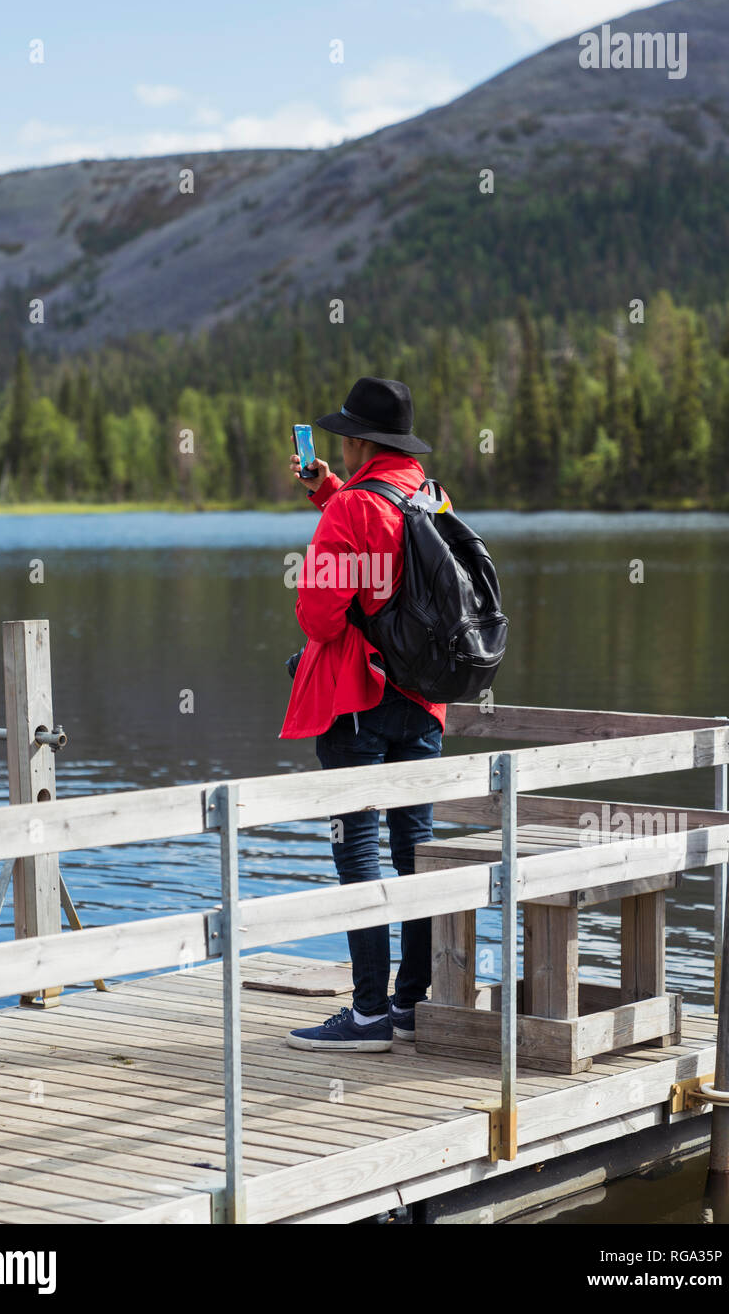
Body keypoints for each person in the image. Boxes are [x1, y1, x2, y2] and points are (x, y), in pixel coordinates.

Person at [279, 376, 450, 1051]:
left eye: (344, 437)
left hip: (358, 701)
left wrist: (334, 510)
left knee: (357, 854)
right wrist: (328, 493)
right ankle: (410, 1005)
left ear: (357, 442)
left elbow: (318, 616)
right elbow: (402, 557)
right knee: (415, 851)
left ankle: (366, 1015)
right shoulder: (429, 494)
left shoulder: (351, 509)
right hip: (423, 698)